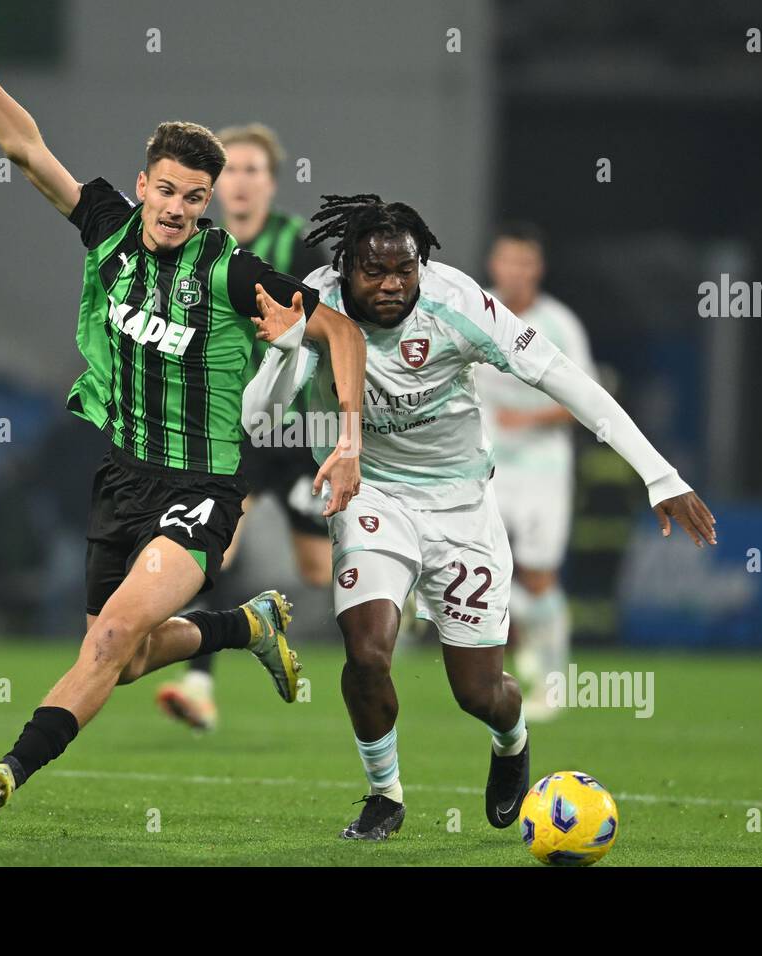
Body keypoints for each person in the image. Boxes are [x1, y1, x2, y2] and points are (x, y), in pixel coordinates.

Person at [0, 0, 366, 832]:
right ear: (141, 185)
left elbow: (338, 327)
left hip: (202, 484)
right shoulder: (107, 230)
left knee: (109, 637)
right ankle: (242, 627)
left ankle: (9, 770)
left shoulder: (232, 273)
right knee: (122, 660)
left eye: (193, 198)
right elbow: (23, 148)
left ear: (206, 205)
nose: (176, 209)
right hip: (119, 478)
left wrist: (346, 438)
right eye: (166, 191)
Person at [243, 194, 716, 840]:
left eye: (404, 270)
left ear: (423, 264)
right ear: (346, 266)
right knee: (368, 651)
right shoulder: (315, 301)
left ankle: (512, 740)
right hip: (372, 496)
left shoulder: (457, 304)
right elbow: (258, 418)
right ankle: (385, 794)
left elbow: (564, 378)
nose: (391, 285)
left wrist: (659, 474)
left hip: (461, 505)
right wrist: (284, 347)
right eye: (374, 272)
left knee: (479, 692)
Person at [155, 123, 331, 731]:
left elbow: (330, 327)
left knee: (320, 571)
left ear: (272, 182)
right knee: (214, 550)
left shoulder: (300, 248)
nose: (241, 181)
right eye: (232, 170)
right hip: (237, 426)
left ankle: (403, 596)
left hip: (302, 426)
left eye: (254, 170)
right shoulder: (196, 245)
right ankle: (199, 685)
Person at [474, 223, 595, 720]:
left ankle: (553, 679)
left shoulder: (560, 324)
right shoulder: (475, 310)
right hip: (486, 462)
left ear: (538, 268)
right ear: (493, 264)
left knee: (540, 574)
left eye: (526, 262)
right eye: (508, 261)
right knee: (485, 568)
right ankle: (505, 657)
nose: (516, 272)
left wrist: (526, 417)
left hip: (544, 465)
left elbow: (584, 401)